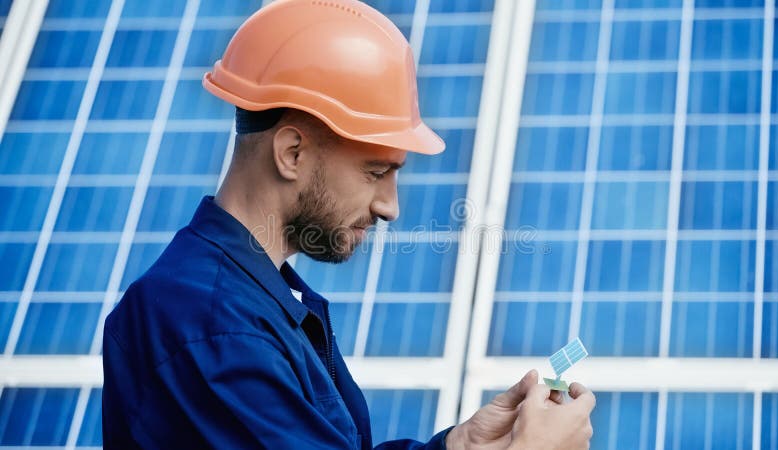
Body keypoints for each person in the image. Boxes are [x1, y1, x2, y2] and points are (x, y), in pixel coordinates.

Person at [101, 0, 595, 448]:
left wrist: (457, 448)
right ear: (292, 153)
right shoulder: (214, 332)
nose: (389, 207)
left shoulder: (252, 305)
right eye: (376, 172)